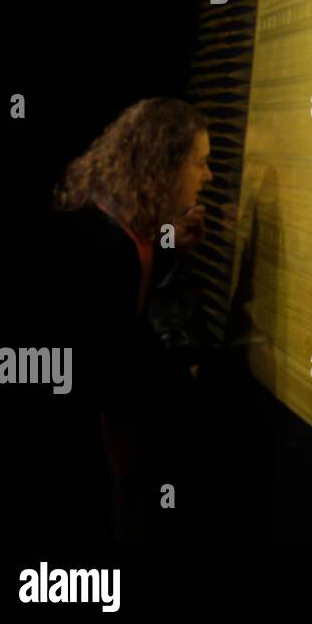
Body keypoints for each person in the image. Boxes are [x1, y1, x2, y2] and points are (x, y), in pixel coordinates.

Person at [49, 98, 216, 541]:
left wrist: (168, 242)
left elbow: (133, 264)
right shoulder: (107, 248)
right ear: (166, 164)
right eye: (200, 163)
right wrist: (182, 378)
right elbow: (115, 355)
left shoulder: (113, 213)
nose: (208, 176)